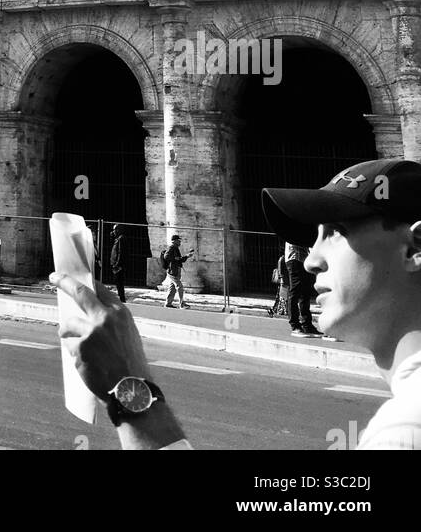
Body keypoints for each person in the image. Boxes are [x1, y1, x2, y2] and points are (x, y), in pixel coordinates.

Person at [51, 158, 421, 450]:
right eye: (314, 238)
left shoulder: (407, 427)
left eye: (337, 233)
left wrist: (129, 387)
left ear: (414, 248)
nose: (311, 260)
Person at [284, 238, 321, 336]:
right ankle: (295, 325)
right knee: (295, 292)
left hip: (305, 258)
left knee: (305, 293)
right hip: (294, 259)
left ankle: (307, 325)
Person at [159, 235, 191, 308]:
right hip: (173, 271)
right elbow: (166, 257)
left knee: (172, 288)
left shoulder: (175, 248)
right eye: (178, 241)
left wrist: (186, 256)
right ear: (174, 241)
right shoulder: (172, 247)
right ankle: (182, 304)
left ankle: (168, 304)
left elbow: (179, 259)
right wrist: (175, 258)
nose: (180, 242)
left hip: (175, 270)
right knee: (180, 286)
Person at [109, 224, 127, 303]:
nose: (113, 231)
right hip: (116, 265)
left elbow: (121, 252)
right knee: (118, 283)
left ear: (119, 230)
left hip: (118, 266)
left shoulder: (121, 239)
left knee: (119, 283)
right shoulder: (118, 239)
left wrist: (117, 264)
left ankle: (122, 299)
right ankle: (121, 298)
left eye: (114, 230)